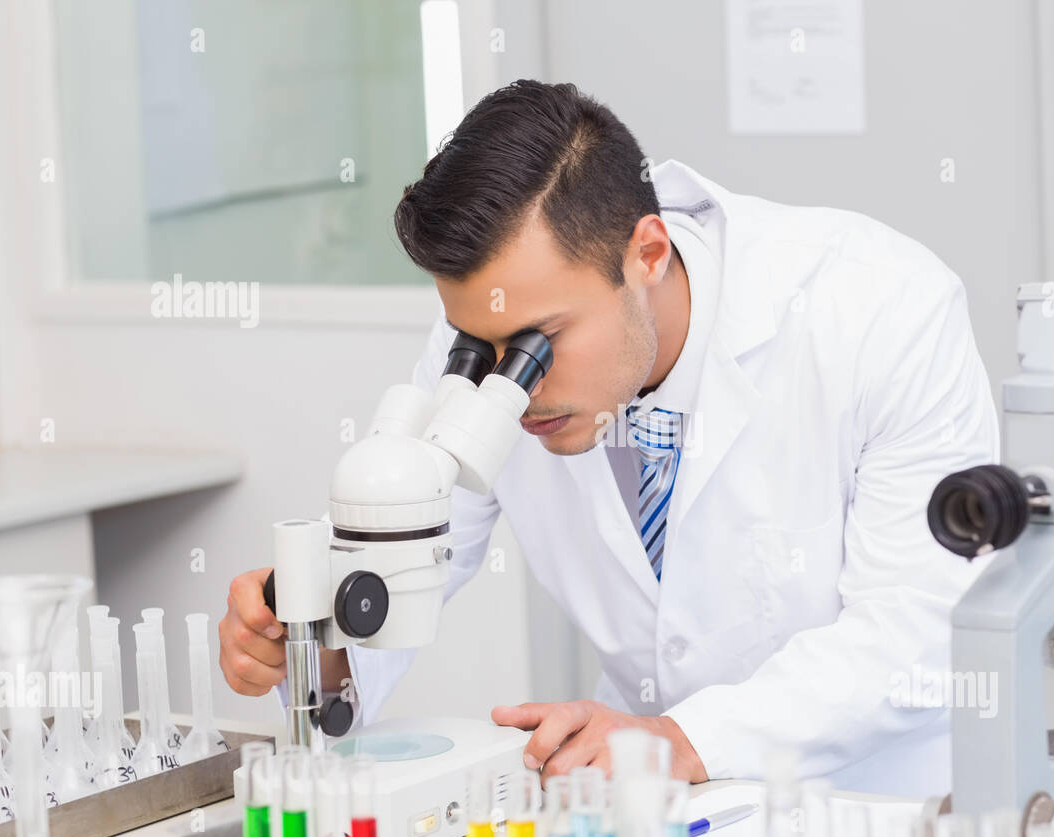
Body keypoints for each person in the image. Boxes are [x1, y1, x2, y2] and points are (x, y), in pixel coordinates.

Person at [219, 79, 998, 796]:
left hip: (874, 806)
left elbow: (917, 631)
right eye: (475, 344)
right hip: (641, 808)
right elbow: (415, 561)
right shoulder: (488, 336)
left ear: (647, 254)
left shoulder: (883, 310)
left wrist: (680, 740)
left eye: (539, 341)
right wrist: (318, 649)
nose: (508, 388)